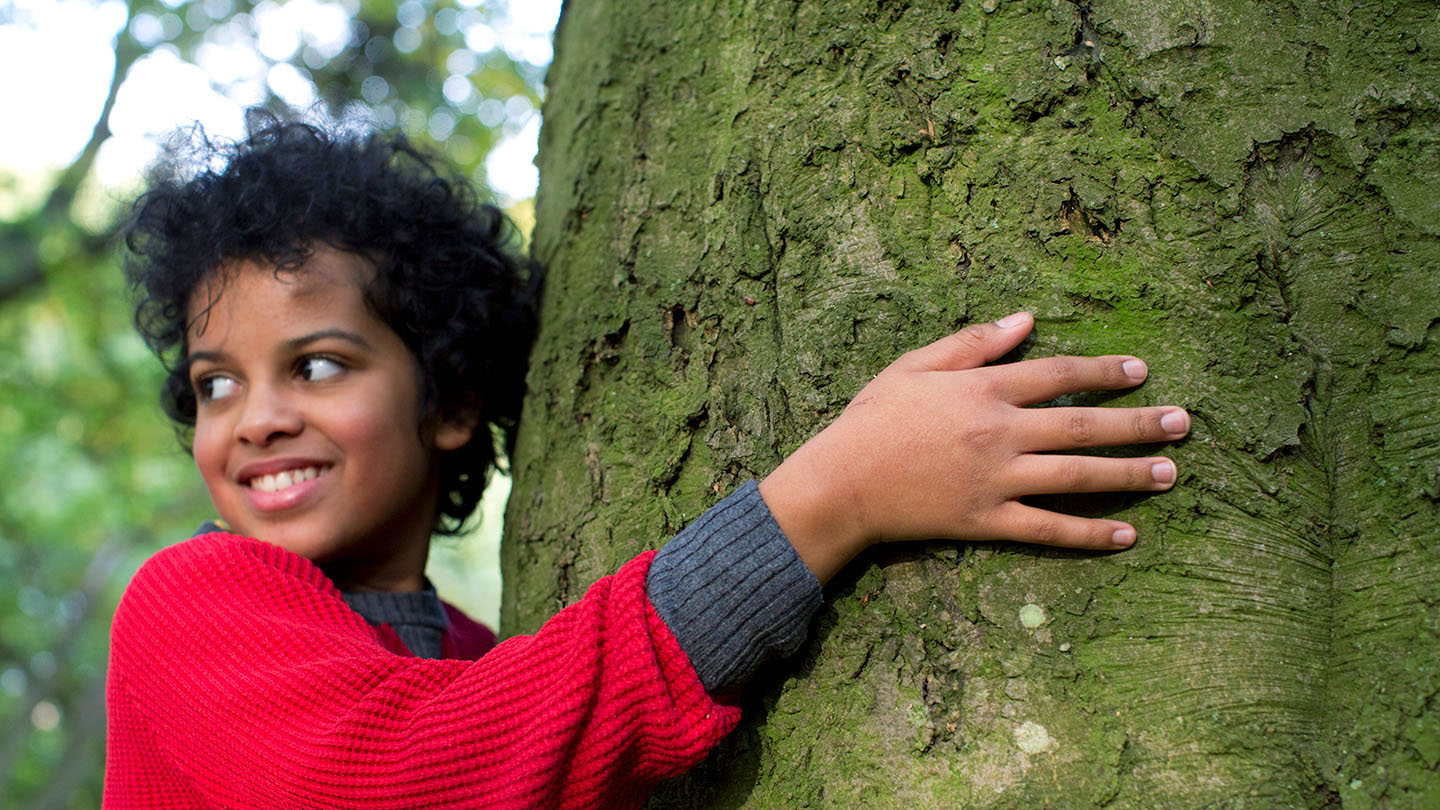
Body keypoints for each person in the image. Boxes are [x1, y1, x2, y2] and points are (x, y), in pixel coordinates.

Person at [106, 117, 1191, 809]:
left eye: (318, 364)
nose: (255, 418)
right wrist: (835, 497)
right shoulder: (191, 603)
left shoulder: (485, 654)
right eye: (216, 383)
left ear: (449, 398)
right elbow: (403, 775)